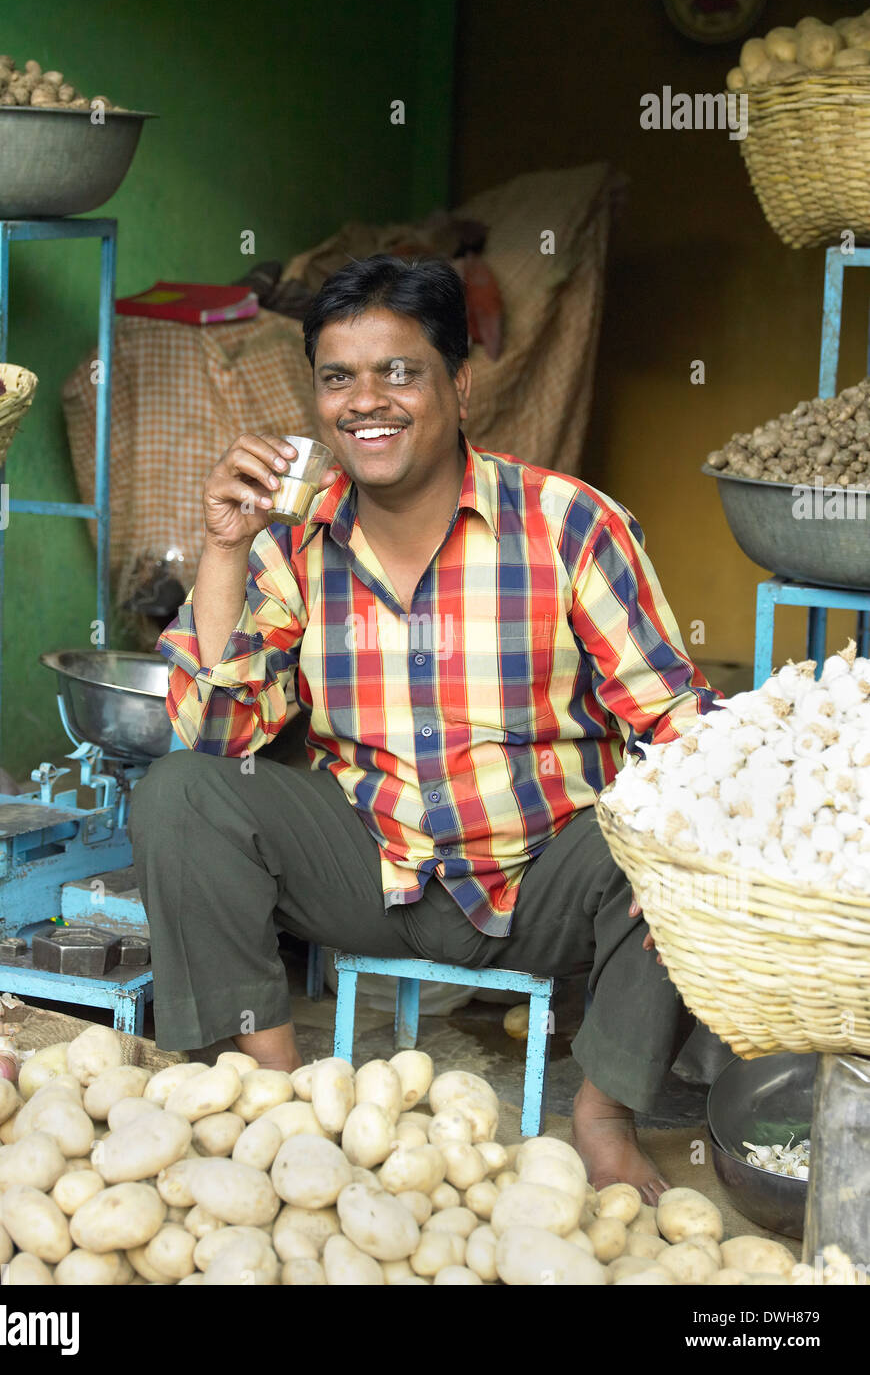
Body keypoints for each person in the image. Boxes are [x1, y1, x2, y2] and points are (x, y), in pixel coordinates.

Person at [128, 253, 721, 1202]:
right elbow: (213, 735)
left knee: (683, 817)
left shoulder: (568, 525)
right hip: (370, 867)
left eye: (399, 371)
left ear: (459, 382)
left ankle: (605, 1120)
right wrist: (226, 547)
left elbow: (681, 727)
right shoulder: (293, 543)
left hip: (545, 880)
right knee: (182, 795)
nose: (367, 400)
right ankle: (276, 1092)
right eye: (337, 377)